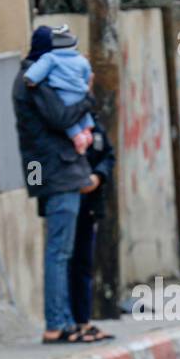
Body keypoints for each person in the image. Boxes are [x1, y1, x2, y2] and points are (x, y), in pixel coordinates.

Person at [13, 25, 99, 344]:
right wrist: (88, 95)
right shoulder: (34, 81)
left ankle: (64, 321)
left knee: (62, 250)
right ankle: (57, 324)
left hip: (54, 169)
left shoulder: (38, 76)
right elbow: (61, 118)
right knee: (59, 251)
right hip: (56, 171)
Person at [68, 115, 117, 341]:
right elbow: (35, 159)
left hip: (89, 203)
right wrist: (39, 189)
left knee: (84, 263)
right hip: (63, 199)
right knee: (62, 261)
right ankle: (62, 323)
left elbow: (108, 154)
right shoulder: (54, 119)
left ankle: (83, 320)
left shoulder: (92, 123)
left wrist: (97, 176)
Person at [23, 25, 96, 154]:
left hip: (51, 160)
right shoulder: (41, 80)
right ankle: (82, 134)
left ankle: (83, 133)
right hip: (43, 162)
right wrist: (88, 97)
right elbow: (62, 118)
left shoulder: (46, 70)